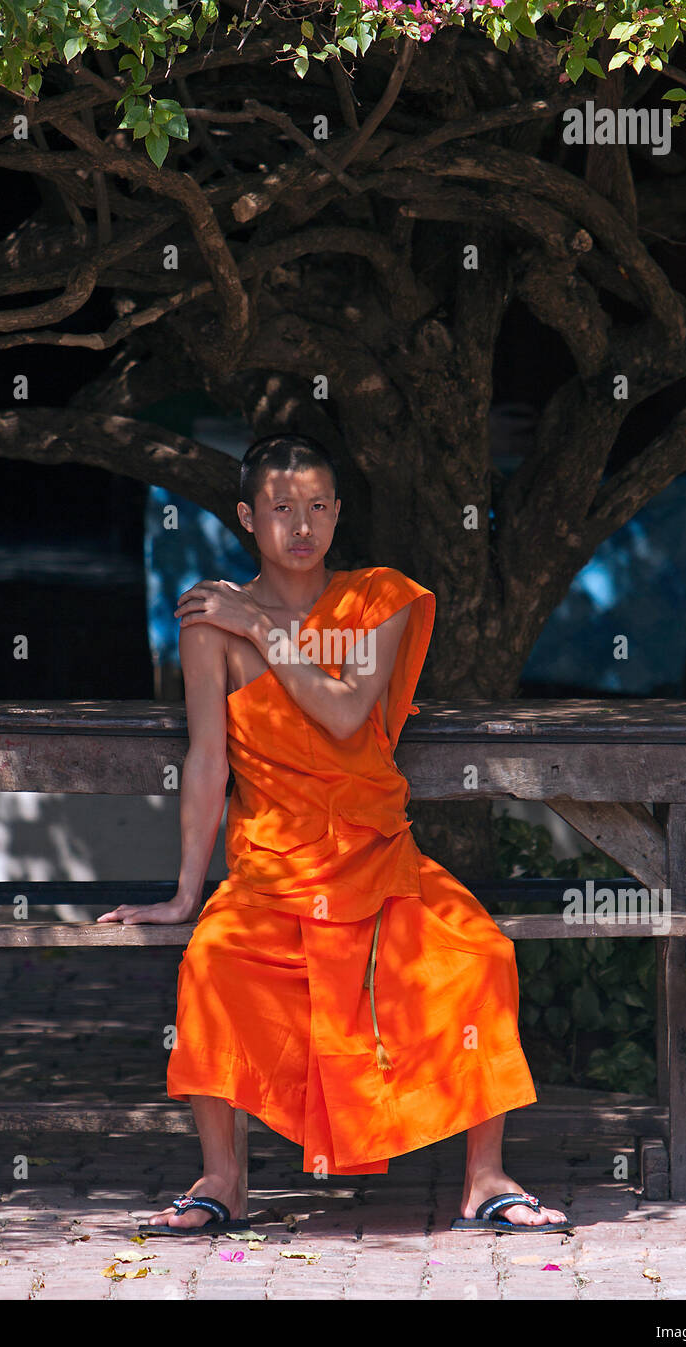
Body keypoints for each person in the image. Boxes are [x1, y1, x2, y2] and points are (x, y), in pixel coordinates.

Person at [99, 434, 571, 1236]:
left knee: (479, 957)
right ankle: (222, 1180)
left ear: (338, 512)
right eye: (281, 508)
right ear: (249, 517)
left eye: (317, 506)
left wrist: (261, 623)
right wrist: (186, 890)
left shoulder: (377, 600)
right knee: (211, 968)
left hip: (379, 859)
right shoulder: (211, 626)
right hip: (270, 871)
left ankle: (485, 1179)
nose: (301, 525)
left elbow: (347, 709)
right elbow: (208, 762)